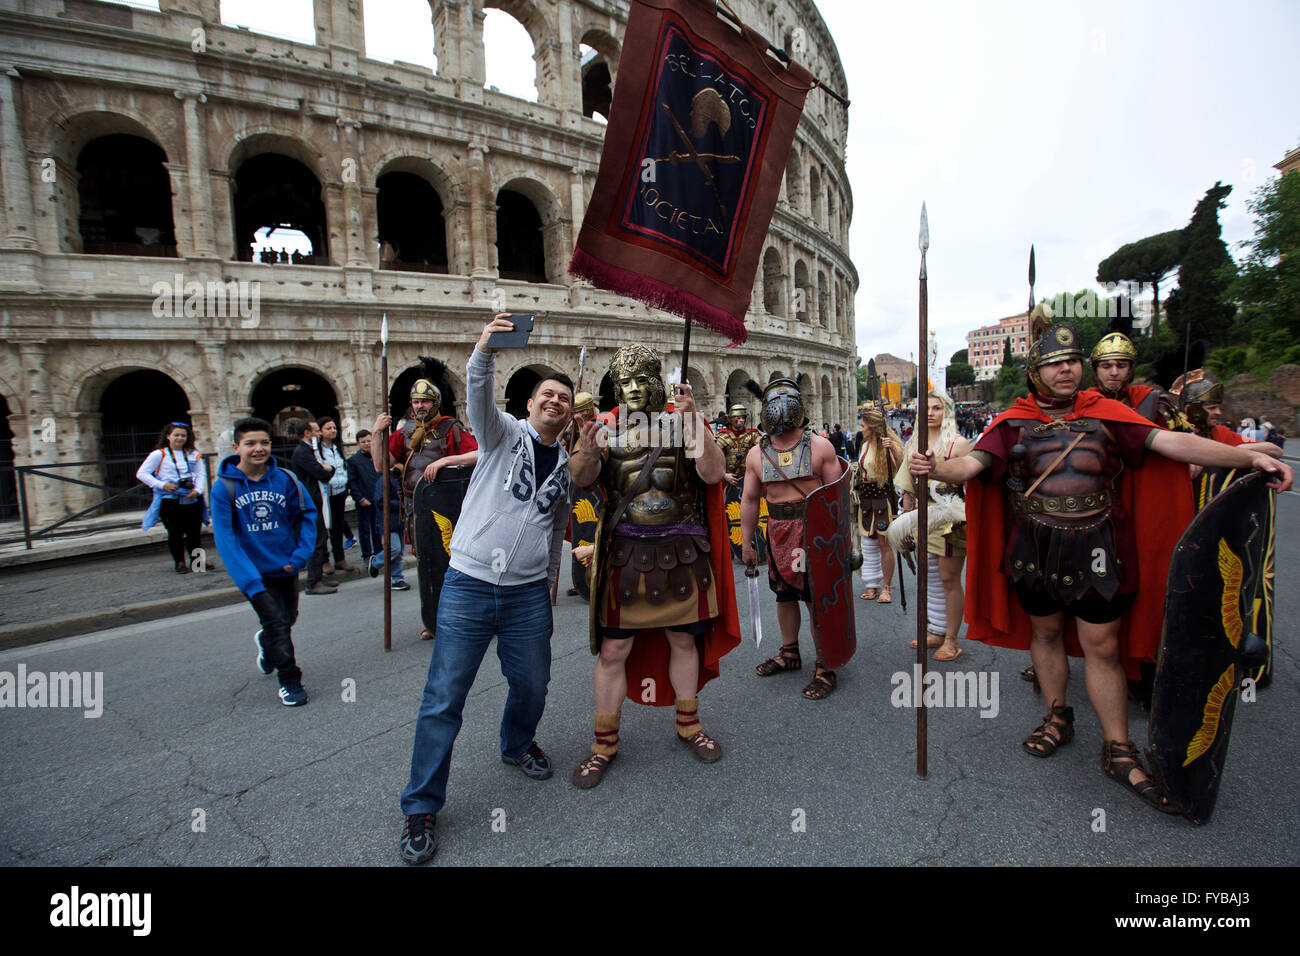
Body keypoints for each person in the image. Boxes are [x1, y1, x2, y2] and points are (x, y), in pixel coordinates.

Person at [911, 315, 1293, 814]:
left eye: (1072, 361)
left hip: (1098, 550)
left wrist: (1245, 458)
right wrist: (936, 467)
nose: (1067, 371)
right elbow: (972, 467)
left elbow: (1171, 443)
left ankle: (1117, 748)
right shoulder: (1012, 423)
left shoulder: (1108, 414)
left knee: (1103, 647)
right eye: (1055, 363)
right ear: (1035, 371)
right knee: (1044, 636)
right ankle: (1057, 716)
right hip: (1034, 551)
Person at [398, 315, 573, 865]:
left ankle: (518, 742)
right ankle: (421, 806)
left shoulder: (566, 465)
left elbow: (553, 534)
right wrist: (483, 348)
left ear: (569, 414)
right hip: (470, 585)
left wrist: (546, 590)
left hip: (525, 596)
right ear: (529, 406)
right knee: (445, 697)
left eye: (564, 398)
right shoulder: (501, 436)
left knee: (534, 683)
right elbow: (477, 392)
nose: (556, 402)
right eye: (548, 393)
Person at [567, 344, 740, 788]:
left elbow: (712, 474)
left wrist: (693, 423)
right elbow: (583, 479)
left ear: (656, 382)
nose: (632, 390)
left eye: (641, 380)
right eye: (624, 382)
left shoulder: (684, 422)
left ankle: (689, 725)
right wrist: (585, 450)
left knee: (684, 643)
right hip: (626, 554)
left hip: (681, 550)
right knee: (612, 652)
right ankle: (603, 744)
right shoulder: (603, 427)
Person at [742, 377, 845, 699]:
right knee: (784, 595)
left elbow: (837, 498)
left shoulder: (820, 447)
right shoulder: (756, 455)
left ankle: (825, 662)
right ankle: (790, 653)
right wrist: (747, 543)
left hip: (815, 536)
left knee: (818, 599)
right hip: (778, 533)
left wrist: (843, 544)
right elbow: (749, 500)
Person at [210, 417, 317, 707]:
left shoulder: (286, 480)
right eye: (251, 443)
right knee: (277, 624)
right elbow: (226, 538)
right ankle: (290, 680)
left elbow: (307, 516)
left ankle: (267, 646)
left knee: (288, 619)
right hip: (253, 573)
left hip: (285, 566)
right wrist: (248, 579)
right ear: (237, 447)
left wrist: (299, 556)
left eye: (264, 442)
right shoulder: (224, 488)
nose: (258, 449)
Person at [378, 363, 479, 640]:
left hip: (448, 509)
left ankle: (465, 615)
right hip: (416, 509)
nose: (420, 405)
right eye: (415, 401)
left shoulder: (451, 428)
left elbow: (478, 455)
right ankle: (434, 618)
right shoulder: (405, 433)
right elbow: (381, 465)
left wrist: (446, 459)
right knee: (428, 563)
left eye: (425, 401)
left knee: (455, 562)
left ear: (436, 403)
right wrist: (378, 433)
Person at [893, 390, 969, 661]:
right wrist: (906, 519)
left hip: (951, 520)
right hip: (924, 518)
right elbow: (908, 488)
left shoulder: (958, 445)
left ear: (946, 411)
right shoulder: (915, 443)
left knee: (949, 579)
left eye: (937, 408)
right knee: (930, 577)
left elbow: (968, 486)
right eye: (926, 408)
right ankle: (936, 629)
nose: (931, 413)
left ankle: (951, 639)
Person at [137, 421, 209, 573]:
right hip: (170, 500)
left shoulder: (193, 454)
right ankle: (180, 563)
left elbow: (201, 473)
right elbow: (142, 474)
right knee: (175, 533)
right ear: (168, 436)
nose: (180, 438)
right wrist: (163, 485)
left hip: (192, 498)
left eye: (183, 435)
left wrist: (197, 489)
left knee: (194, 533)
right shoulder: (159, 455)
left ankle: (198, 564)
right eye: (176, 435)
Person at [854, 408, 903, 604]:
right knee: (868, 542)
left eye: (863, 425)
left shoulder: (888, 445)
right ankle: (872, 584)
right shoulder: (864, 445)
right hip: (866, 500)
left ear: (872, 428)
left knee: (884, 544)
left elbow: (901, 468)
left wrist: (892, 450)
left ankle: (887, 587)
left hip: (883, 499)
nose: (861, 428)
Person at [290, 419, 337, 595]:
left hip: (317, 499)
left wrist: (327, 468)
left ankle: (318, 578)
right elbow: (321, 474)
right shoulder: (302, 452)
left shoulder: (309, 450)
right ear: (307, 433)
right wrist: (329, 469)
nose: (319, 434)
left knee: (322, 537)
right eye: (316, 431)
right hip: (310, 501)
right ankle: (313, 582)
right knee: (317, 540)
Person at [315, 416, 356, 573]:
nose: (332, 431)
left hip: (339, 491)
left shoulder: (337, 448)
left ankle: (340, 559)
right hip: (326, 492)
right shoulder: (318, 450)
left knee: (338, 526)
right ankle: (324, 560)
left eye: (334, 428)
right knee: (325, 526)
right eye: (328, 428)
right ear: (321, 432)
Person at [346, 429, 380, 571]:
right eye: (363, 442)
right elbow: (352, 482)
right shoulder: (354, 461)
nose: (367, 444)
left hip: (377, 499)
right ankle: (366, 554)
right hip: (364, 500)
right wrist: (359, 498)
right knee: (364, 529)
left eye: (369, 440)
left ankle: (379, 552)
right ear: (358, 444)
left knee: (377, 528)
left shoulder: (377, 457)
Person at [714, 402, 760, 488]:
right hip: (729, 480)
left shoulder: (753, 435)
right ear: (731, 419)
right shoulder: (723, 437)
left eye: (743, 418)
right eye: (738, 418)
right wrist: (724, 475)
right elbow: (714, 460)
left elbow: (763, 453)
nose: (742, 420)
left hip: (749, 478)